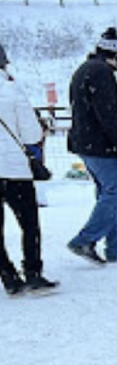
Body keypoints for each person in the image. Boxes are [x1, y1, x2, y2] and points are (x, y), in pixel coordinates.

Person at [66, 27, 117, 265]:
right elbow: (109, 115)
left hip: (85, 143)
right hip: (102, 146)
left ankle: (115, 248)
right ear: (116, 55)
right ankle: (85, 240)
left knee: (107, 194)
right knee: (114, 194)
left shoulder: (84, 70)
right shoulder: (102, 73)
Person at [0, 44, 58, 295]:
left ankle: (8, 276)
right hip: (14, 170)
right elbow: (32, 134)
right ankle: (33, 272)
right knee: (29, 224)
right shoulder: (11, 90)